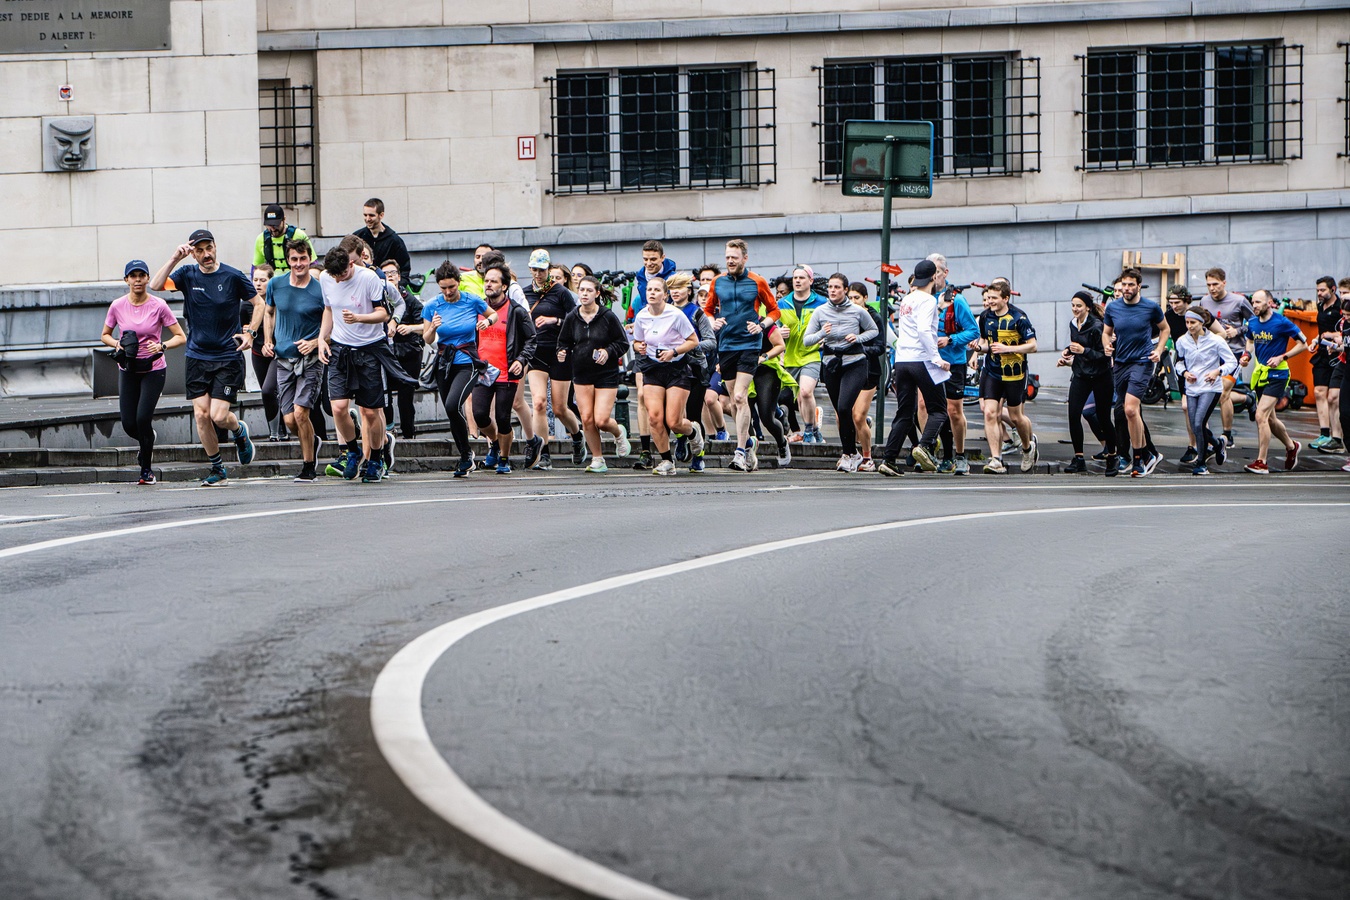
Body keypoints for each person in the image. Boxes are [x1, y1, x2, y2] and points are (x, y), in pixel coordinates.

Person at [149, 229, 259, 486]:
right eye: (199, 250)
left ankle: (239, 431)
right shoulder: (187, 275)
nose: (205, 254)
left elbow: (260, 304)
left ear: (215, 246)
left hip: (227, 356)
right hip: (197, 356)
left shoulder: (232, 276)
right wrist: (175, 258)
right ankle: (218, 469)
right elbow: (155, 286)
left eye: (208, 248)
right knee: (201, 415)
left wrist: (251, 333)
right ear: (193, 253)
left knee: (219, 416)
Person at [317, 245, 406, 483]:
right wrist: (321, 339)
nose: (339, 279)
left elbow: (383, 314)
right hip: (340, 348)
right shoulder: (326, 278)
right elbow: (328, 310)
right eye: (334, 276)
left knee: (369, 410)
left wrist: (359, 318)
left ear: (351, 265)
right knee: (337, 407)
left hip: (369, 348)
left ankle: (376, 458)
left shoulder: (369, 278)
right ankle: (352, 451)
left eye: (342, 274)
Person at [101, 260, 186, 485]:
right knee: (129, 424)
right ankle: (147, 440)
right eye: (133, 276)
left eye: (142, 275)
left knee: (142, 418)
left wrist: (162, 346)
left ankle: (146, 471)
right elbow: (105, 334)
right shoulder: (117, 305)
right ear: (126, 280)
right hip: (128, 368)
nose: (138, 280)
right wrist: (116, 344)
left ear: (148, 279)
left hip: (153, 368)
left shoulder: (159, 305)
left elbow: (181, 336)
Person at [703, 239, 781, 472]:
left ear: (744, 258)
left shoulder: (757, 281)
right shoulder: (717, 282)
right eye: (727, 257)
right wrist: (712, 322)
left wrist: (762, 325)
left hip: (749, 344)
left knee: (739, 397)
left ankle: (739, 452)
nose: (730, 261)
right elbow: (707, 310)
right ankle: (748, 444)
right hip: (726, 345)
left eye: (734, 258)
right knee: (734, 400)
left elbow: (774, 310)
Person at [422, 261, 495, 477]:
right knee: (450, 410)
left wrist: (487, 322)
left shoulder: (471, 300)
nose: (448, 292)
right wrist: (433, 327)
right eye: (443, 288)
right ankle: (466, 456)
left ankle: (470, 451)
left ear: (458, 283)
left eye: (451, 287)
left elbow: (493, 314)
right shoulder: (432, 305)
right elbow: (427, 339)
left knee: (454, 405)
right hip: (445, 362)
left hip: (467, 360)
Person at [262, 239, 327, 482]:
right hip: (283, 359)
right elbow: (269, 312)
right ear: (288, 261)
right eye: (294, 259)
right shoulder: (275, 284)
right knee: (289, 420)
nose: (299, 264)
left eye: (303, 259)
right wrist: (268, 339)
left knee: (301, 414)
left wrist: (317, 342)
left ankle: (309, 467)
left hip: (310, 360)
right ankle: (312, 440)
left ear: (310, 259)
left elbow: (330, 321)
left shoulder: (319, 289)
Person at [878, 260, 949, 476]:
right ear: (934, 277)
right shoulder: (929, 300)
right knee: (939, 409)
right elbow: (924, 331)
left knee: (905, 412)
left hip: (902, 361)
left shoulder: (907, 299)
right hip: (922, 360)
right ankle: (924, 446)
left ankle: (888, 459)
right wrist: (936, 358)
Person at [803, 273, 879, 472]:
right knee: (840, 411)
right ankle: (851, 454)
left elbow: (874, 331)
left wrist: (858, 337)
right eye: (830, 287)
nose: (832, 290)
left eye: (837, 287)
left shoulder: (857, 311)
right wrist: (822, 334)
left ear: (845, 289)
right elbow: (807, 340)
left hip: (855, 362)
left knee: (845, 407)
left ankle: (851, 454)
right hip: (831, 363)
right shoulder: (820, 312)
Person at [558, 274, 631, 473]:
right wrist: (562, 352)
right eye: (581, 290)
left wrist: (608, 352)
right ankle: (597, 458)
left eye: (589, 290)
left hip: (605, 374)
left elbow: (622, 343)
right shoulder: (572, 316)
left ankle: (618, 432)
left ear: (597, 293)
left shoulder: (607, 316)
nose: (584, 294)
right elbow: (563, 341)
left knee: (601, 419)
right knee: (587, 419)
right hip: (581, 373)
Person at [631, 276, 703, 476]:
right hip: (653, 369)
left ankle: (693, 432)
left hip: (676, 368)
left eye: (656, 290)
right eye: (649, 290)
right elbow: (636, 342)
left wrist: (675, 351)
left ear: (665, 294)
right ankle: (666, 460)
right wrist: (640, 347)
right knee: (654, 417)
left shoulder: (675, 315)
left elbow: (693, 341)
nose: (652, 293)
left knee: (674, 421)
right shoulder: (642, 316)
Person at [522, 249, 584, 469]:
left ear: (549, 269)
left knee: (559, 408)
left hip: (560, 352)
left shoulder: (560, 292)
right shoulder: (525, 293)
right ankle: (544, 454)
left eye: (542, 270)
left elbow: (576, 318)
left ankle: (577, 436)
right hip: (536, 353)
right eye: (534, 269)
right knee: (538, 403)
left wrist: (554, 321)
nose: (538, 274)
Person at [1103, 267, 1167, 478]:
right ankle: (1149, 454)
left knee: (1130, 409)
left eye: (1131, 284)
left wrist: (1158, 350)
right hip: (1120, 363)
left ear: (1139, 286)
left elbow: (1165, 329)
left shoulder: (1150, 307)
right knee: (1125, 411)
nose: (1127, 288)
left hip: (1142, 362)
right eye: (1124, 284)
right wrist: (1107, 346)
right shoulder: (1113, 308)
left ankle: (1138, 459)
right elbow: (1107, 333)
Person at [473, 264, 536, 474]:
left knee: (502, 418)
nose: (488, 284)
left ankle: (504, 458)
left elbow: (532, 339)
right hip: (483, 371)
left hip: (506, 372)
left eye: (494, 281)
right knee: (480, 415)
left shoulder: (516, 311)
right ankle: (494, 443)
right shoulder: (479, 308)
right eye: (487, 281)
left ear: (504, 286)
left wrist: (521, 359)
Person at [973, 281, 1038, 474]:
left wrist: (1008, 348)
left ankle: (1027, 448)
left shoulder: (1019, 317)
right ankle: (996, 459)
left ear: (1005, 298)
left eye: (994, 298)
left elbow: (1033, 346)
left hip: (1015, 373)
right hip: (993, 371)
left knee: (1017, 417)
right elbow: (987, 343)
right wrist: (978, 348)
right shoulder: (985, 317)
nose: (990, 302)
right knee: (989, 412)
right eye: (988, 298)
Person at [1242, 289, 1307, 474]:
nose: (1254, 306)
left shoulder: (1281, 322)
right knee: (1270, 419)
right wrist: (1247, 355)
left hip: (1278, 375)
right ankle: (1291, 446)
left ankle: (1261, 462)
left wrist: (1282, 357)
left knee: (1260, 415)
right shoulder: (1252, 322)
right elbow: (1250, 341)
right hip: (1261, 374)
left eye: (1258, 302)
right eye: (1253, 302)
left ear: (1269, 303)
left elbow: (1303, 343)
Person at [1173, 305, 1237, 475]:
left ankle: (1201, 463)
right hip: (1192, 387)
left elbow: (1232, 362)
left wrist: (1218, 372)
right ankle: (1217, 444)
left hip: (1210, 387)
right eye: (1187, 322)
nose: (1189, 326)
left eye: (1193, 322)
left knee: (1199, 422)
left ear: (1202, 323)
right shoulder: (1182, 341)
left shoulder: (1216, 340)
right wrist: (1185, 373)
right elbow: (1178, 362)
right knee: (1195, 426)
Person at [1058, 291, 1116, 473]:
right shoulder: (1073, 324)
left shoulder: (1098, 326)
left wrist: (1083, 351)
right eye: (1073, 305)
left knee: (1104, 417)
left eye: (1079, 306)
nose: (1075, 309)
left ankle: (1112, 457)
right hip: (1081, 375)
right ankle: (1078, 458)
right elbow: (1077, 345)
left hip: (1101, 376)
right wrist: (1068, 351)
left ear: (1088, 308)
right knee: (1073, 415)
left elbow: (1104, 355)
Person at [930, 254, 978, 474]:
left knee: (953, 410)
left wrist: (950, 340)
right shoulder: (924, 297)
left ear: (945, 273)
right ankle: (942, 452)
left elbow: (973, 331)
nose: (933, 277)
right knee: (929, 407)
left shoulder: (956, 300)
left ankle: (960, 456)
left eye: (937, 272)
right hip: (930, 361)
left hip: (954, 361)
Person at [1199, 267, 1254, 449]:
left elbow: (1255, 324)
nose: (1212, 288)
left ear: (1224, 283)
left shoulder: (1239, 301)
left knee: (1223, 393)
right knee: (1214, 392)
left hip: (1233, 353)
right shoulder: (1204, 301)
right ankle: (1247, 399)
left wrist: (1237, 331)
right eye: (1208, 285)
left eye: (1215, 284)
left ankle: (1227, 434)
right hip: (1213, 354)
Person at [668, 272, 715, 472]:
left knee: (694, 414)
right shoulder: (665, 312)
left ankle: (698, 454)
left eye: (679, 288)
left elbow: (711, 341)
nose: (675, 292)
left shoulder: (696, 313)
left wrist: (688, 346)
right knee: (670, 414)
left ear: (689, 290)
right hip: (670, 368)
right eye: (672, 288)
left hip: (695, 369)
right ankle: (680, 437)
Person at [779, 265, 826, 445]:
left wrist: (824, 337)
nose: (797, 281)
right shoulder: (783, 304)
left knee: (806, 392)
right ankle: (814, 429)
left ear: (810, 281)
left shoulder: (821, 303)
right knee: (798, 398)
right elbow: (772, 326)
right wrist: (779, 331)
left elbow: (830, 324)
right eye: (795, 278)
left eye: (802, 278)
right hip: (790, 357)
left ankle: (807, 431)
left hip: (811, 354)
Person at [848, 281, 889, 472]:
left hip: (869, 371)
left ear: (865, 299)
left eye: (857, 298)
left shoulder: (873, 318)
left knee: (857, 415)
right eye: (850, 298)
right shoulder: (845, 315)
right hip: (848, 369)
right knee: (846, 414)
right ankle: (850, 454)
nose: (853, 301)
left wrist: (859, 348)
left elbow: (880, 347)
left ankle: (868, 457)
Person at [382, 259, 424, 440]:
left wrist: (410, 328)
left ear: (399, 276)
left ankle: (409, 434)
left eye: (392, 273)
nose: (389, 277)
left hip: (408, 352)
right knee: (384, 395)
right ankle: (389, 429)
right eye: (385, 274)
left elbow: (425, 325)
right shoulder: (378, 298)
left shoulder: (411, 300)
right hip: (386, 352)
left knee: (406, 397)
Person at [246, 263, 285, 441]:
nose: (258, 284)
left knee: (269, 390)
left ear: (271, 281)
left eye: (263, 280)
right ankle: (278, 430)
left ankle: (275, 433)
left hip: (277, 353)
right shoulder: (246, 306)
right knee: (267, 392)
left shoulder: (278, 302)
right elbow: (239, 332)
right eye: (255, 280)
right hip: (257, 353)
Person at [1310, 275, 1345, 452]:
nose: (1320, 293)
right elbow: (1321, 332)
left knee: (1334, 397)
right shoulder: (1320, 306)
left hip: (1338, 352)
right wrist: (1315, 341)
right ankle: (1325, 433)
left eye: (1323, 290)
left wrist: (1331, 338)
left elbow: (1339, 333)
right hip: (1323, 352)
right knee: (1319, 391)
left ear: (1333, 290)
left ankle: (1337, 436)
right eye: (1317, 290)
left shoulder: (1341, 307)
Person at [354, 197, 411, 283]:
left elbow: (404, 270)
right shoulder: (357, 237)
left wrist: (395, 287)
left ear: (381, 215)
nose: (367, 219)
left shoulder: (394, 241)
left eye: (371, 215)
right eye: (365, 215)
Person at [253, 204, 311, 276]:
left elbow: (312, 262)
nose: (273, 229)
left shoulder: (298, 235)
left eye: (276, 225)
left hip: (296, 278)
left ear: (284, 219)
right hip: (273, 281)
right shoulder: (261, 238)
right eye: (269, 225)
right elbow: (257, 266)